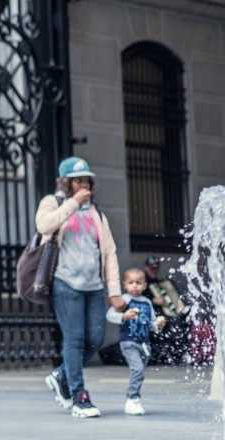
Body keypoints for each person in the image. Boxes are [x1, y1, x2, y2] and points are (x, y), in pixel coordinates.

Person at [38, 157, 124, 419]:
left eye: (87, 180)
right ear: (67, 183)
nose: (84, 184)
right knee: (74, 339)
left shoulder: (96, 212)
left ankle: (60, 375)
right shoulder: (53, 203)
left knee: (95, 339)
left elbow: (108, 251)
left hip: (94, 286)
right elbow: (43, 225)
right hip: (66, 284)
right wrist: (73, 204)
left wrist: (114, 290)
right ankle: (79, 397)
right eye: (78, 180)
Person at [106, 267, 167, 415]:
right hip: (129, 342)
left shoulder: (147, 302)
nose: (135, 286)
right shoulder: (124, 300)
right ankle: (132, 398)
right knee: (137, 369)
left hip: (144, 344)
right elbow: (109, 315)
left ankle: (133, 399)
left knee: (140, 372)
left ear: (145, 286)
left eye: (138, 283)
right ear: (124, 285)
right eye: (131, 282)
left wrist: (157, 325)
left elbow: (151, 323)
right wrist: (123, 317)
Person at [142, 255, 191, 364]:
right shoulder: (141, 282)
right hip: (152, 316)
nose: (154, 270)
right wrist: (153, 300)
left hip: (164, 314)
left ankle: (180, 351)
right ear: (146, 268)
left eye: (156, 268)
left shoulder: (161, 283)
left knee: (186, 317)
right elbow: (136, 298)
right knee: (173, 321)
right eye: (152, 268)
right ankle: (173, 351)